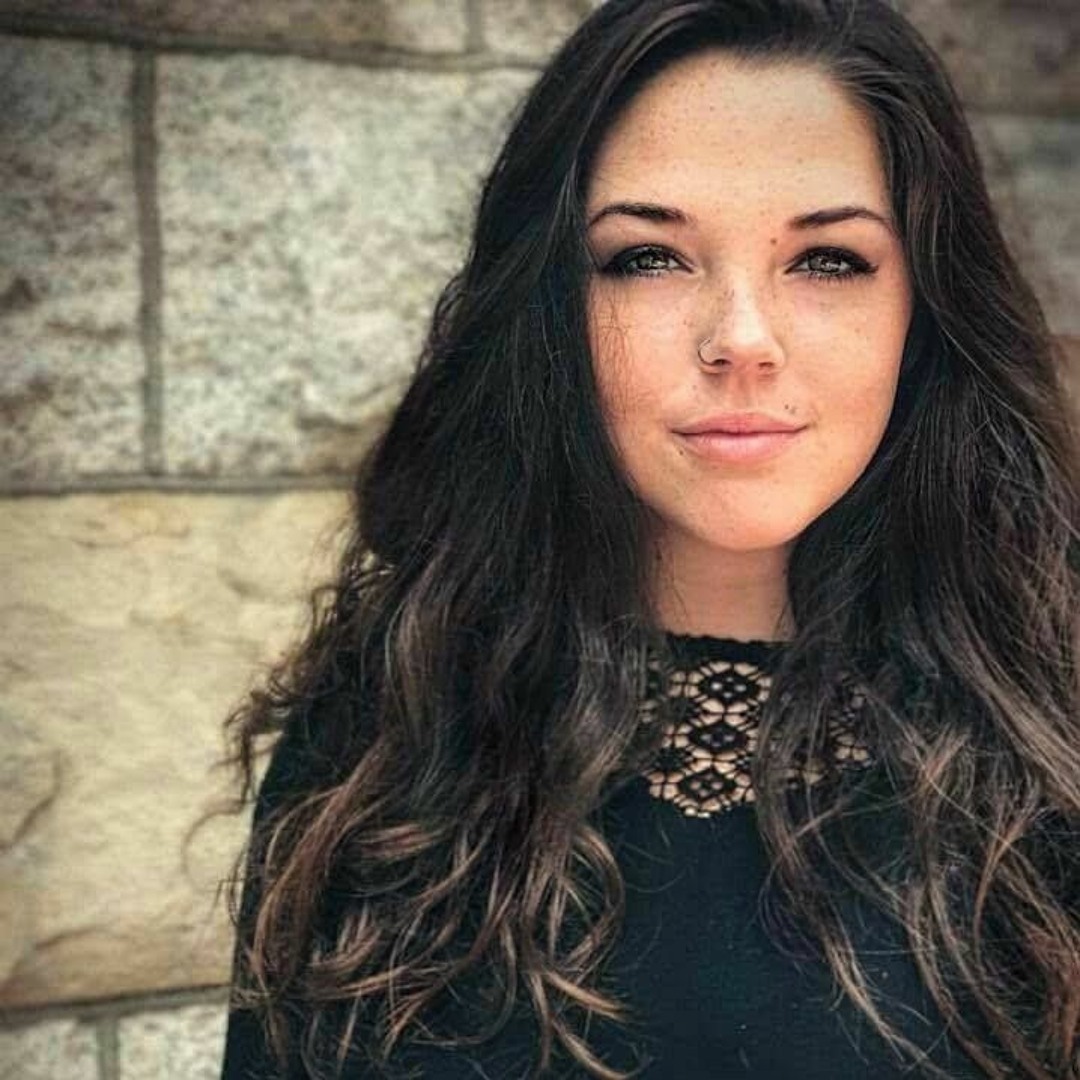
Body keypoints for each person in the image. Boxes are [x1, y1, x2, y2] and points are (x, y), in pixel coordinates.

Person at [220, 0, 1080, 1077]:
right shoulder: (390, 721)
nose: (742, 341)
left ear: (925, 306)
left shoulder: (1054, 732)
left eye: (827, 260)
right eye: (647, 258)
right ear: (552, 309)